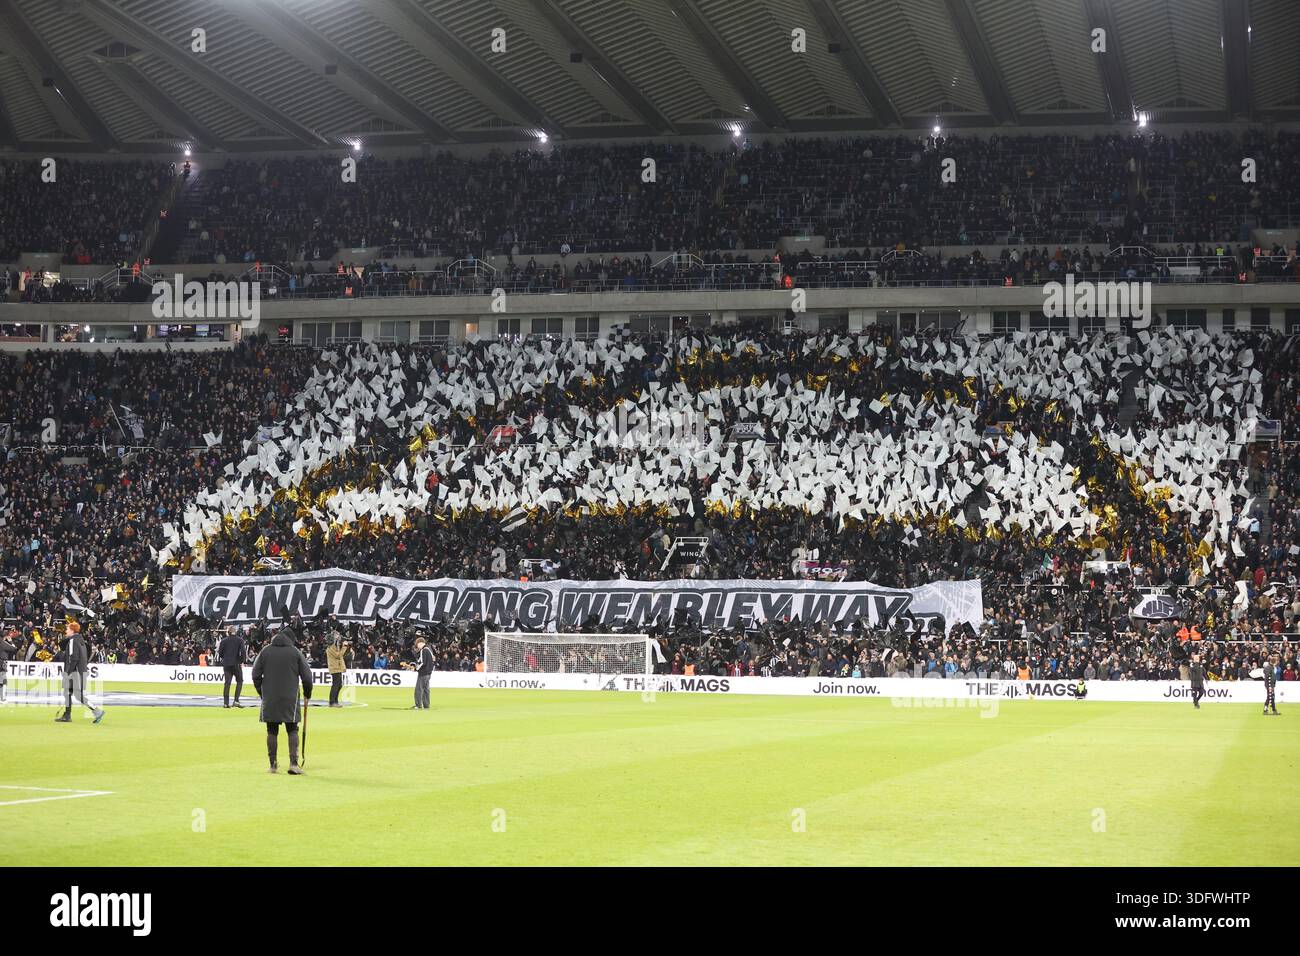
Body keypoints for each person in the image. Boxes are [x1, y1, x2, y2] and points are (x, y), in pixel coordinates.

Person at [251, 623, 313, 774]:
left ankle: (273, 765)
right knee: (292, 729)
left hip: (270, 698)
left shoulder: (265, 651)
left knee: (271, 730)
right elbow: (307, 677)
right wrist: (307, 693)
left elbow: (255, 674)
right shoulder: (295, 652)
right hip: (290, 698)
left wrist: (262, 692)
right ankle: (293, 764)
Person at [55, 621, 104, 724]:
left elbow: (73, 658)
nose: (66, 631)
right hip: (81, 671)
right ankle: (68, 714)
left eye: (68, 629)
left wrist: (67, 673)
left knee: (74, 694)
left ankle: (95, 711)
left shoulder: (73, 641)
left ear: (72, 631)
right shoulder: (81, 641)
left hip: (74, 672)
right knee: (72, 693)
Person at [217, 627, 248, 708]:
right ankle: (236, 700)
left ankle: (225, 703)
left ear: (228, 632)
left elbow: (220, 653)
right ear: (235, 632)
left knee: (227, 683)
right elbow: (243, 652)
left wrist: (226, 658)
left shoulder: (224, 640)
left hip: (227, 664)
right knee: (240, 681)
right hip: (236, 664)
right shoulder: (240, 640)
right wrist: (241, 661)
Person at [407, 636, 434, 710]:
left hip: (423, 673)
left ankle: (418, 705)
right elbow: (433, 659)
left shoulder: (423, 650)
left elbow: (422, 662)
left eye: (417, 644)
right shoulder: (429, 650)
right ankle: (426, 705)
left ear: (420, 643)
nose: (417, 647)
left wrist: (416, 668)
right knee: (426, 690)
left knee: (418, 689)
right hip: (429, 673)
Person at [326, 634, 349, 707]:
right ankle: (332, 702)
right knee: (336, 685)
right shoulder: (331, 647)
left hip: (337, 668)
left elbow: (340, 655)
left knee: (339, 685)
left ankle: (335, 701)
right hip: (335, 668)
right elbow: (338, 655)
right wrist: (344, 647)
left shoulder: (334, 647)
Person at [0, 628, 17, 703]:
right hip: (2, 664)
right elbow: (14, 649)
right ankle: (3, 699)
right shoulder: (3, 643)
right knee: (3, 681)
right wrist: (10, 641)